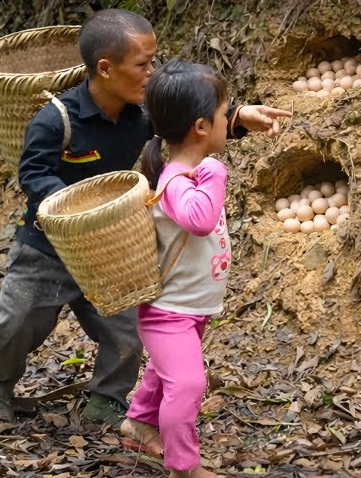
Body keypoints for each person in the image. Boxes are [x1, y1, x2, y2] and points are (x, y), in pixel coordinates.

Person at [0, 9, 290, 426]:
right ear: (106, 68)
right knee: (17, 322)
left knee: (125, 328)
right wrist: (72, 208)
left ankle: (107, 400)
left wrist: (237, 116)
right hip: (47, 246)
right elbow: (33, 173)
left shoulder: (140, 115)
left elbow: (187, 126)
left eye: (153, 61)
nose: (151, 72)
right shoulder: (57, 119)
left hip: (111, 246)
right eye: (143, 64)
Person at [117, 59, 234, 478]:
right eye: (225, 114)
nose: (229, 121)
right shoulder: (176, 181)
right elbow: (199, 220)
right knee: (188, 384)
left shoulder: (187, 174)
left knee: (165, 372)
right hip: (169, 312)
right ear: (201, 127)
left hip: (190, 306)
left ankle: (139, 424)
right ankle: (183, 466)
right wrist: (214, 171)